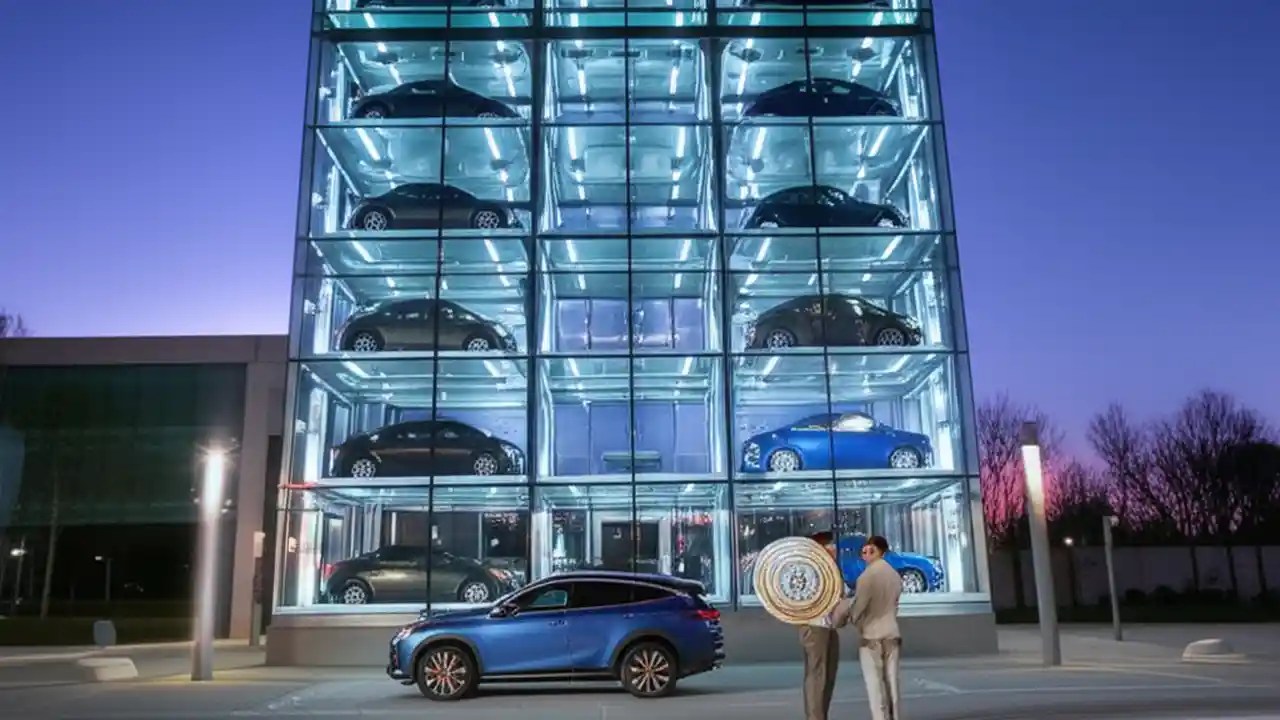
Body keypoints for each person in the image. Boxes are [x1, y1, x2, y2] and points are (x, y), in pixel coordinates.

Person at [847, 535, 904, 720]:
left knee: (875, 686)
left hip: (871, 636)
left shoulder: (866, 577)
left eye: (868, 551)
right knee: (892, 682)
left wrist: (853, 618)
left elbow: (859, 608)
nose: (865, 555)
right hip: (892, 633)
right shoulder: (895, 576)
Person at [799, 530, 852, 720]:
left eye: (832, 544)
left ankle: (822, 714)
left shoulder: (831, 569)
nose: (833, 548)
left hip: (829, 626)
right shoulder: (808, 569)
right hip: (814, 627)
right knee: (817, 674)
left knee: (828, 674)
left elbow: (843, 592)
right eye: (828, 544)